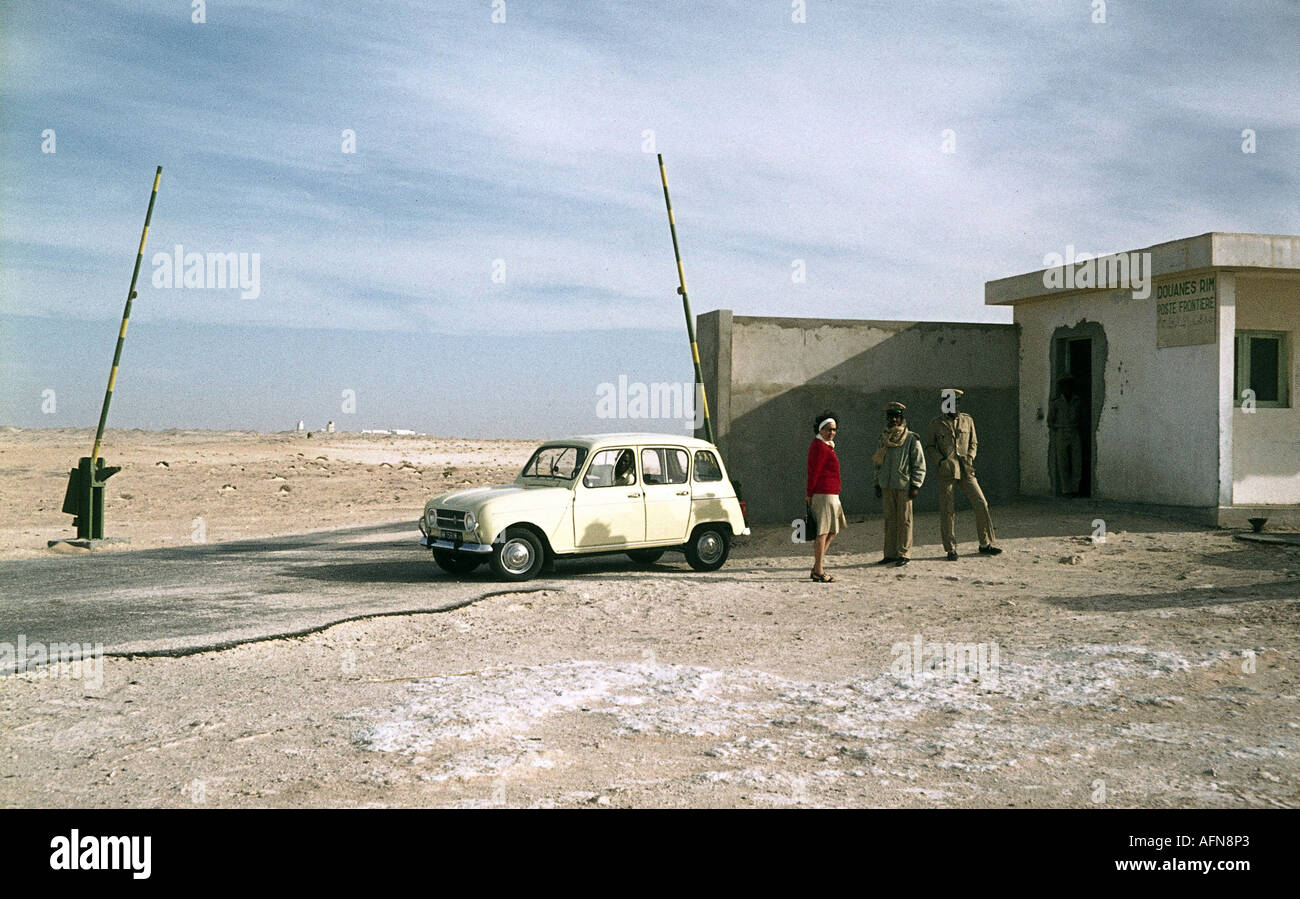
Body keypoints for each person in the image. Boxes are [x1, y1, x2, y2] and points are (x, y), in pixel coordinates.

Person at [924, 388, 1001, 561]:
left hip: (966, 468)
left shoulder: (967, 420)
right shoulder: (936, 423)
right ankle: (950, 548)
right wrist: (940, 461)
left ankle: (985, 543)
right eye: (949, 403)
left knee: (981, 503)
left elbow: (973, 442)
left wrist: (971, 457)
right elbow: (929, 446)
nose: (953, 407)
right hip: (947, 470)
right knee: (947, 509)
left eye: (956, 403)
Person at [873, 401, 925, 567]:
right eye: (890, 416)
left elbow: (919, 463)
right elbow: (878, 463)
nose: (893, 419)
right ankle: (889, 554)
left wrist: (916, 485)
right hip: (887, 484)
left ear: (901, 418)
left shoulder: (911, 438)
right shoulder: (883, 438)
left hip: (904, 485)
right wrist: (877, 483)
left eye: (896, 416)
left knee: (905, 520)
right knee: (890, 520)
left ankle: (904, 553)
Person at [805, 411, 847, 582]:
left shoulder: (826, 446)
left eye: (834, 430)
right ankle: (819, 570)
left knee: (831, 531)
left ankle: (817, 566)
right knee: (822, 532)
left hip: (831, 493)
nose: (831, 432)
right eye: (828, 429)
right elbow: (813, 472)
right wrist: (809, 493)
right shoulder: (819, 447)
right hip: (823, 494)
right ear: (821, 430)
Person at [1048, 376, 1084, 496]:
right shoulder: (1056, 403)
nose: (1067, 389)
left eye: (1069, 386)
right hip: (1061, 432)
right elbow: (1050, 420)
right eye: (1064, 387)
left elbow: (1082, 417)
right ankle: (1066, 489)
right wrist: (1058, 428)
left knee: (1077, 461)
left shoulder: (1077, 401)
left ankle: (1075, 489)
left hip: (1074, 431)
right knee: (1063, 462)